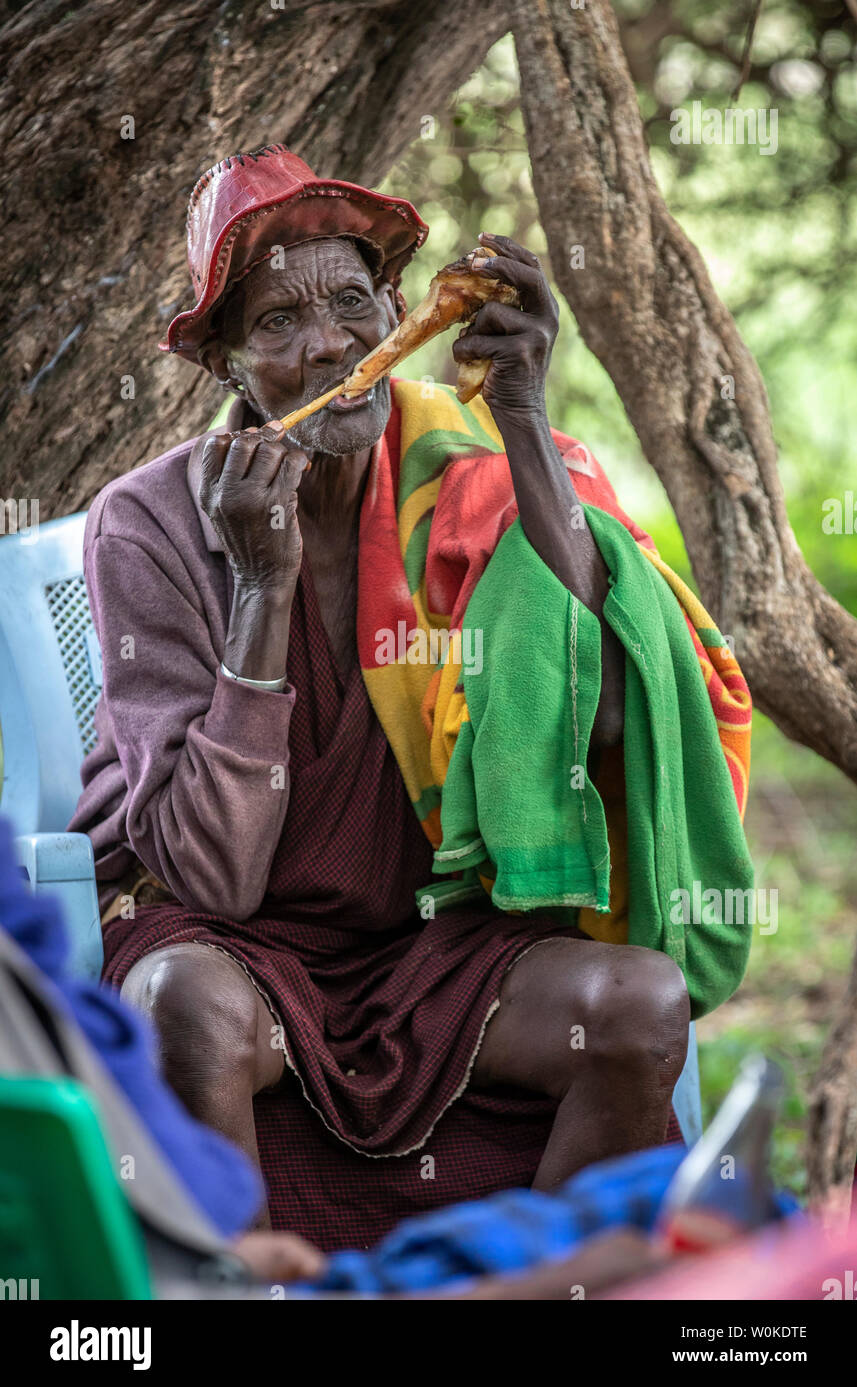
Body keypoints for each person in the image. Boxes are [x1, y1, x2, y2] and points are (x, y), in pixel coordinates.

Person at [68, 144, 753, 1243]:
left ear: (398, 309)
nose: (330, 342)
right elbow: (217, 874)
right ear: (227, 363)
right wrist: (261, 585)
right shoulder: (149, 523)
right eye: (276, 322)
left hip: (444, 941)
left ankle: (519, 1273)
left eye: (352, 301)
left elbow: (606, 714)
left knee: (633, 1006)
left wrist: (523, 415)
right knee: (180, 1005)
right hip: (246, 947)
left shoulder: (477, 463)